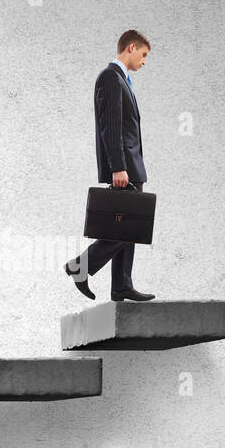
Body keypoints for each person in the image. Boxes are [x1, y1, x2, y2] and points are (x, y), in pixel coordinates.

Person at [64, 30, 155, 301]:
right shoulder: (110, 78)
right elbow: (110, 126)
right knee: (126, 227)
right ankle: (79, 266)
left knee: (131, 227)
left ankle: (121, 285)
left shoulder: (122, 81)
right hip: (124, 168)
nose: (144, 61)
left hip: (132, 166)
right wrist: (118, 166)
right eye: (143, 54)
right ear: (130, 48)